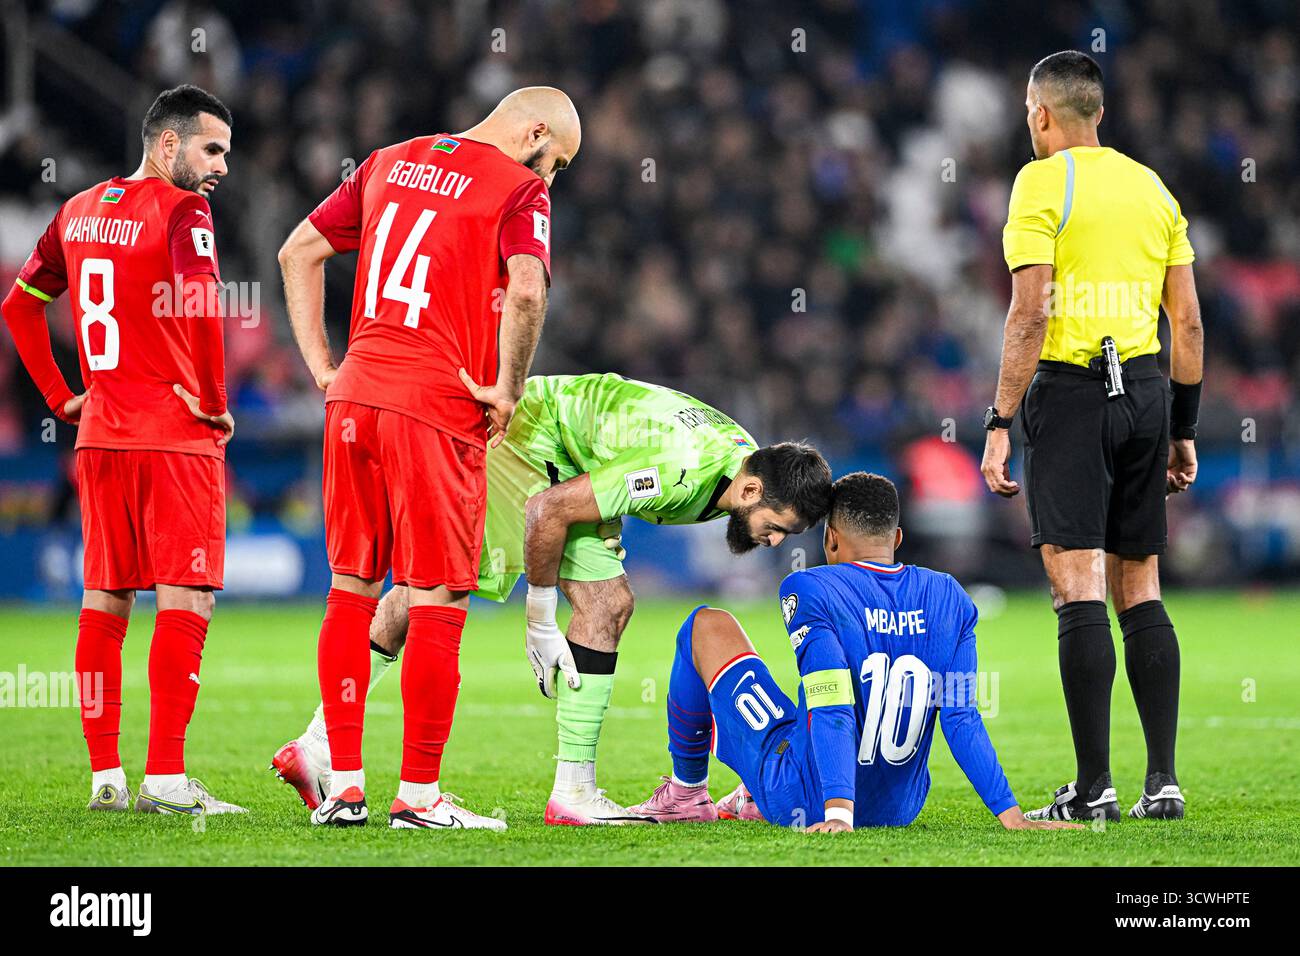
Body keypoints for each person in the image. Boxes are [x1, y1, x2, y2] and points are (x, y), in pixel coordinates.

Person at [272, 373, 832, 825]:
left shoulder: (744, 461)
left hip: (573, 445)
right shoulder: (680, 470)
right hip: (531, 436)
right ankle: (563, 793)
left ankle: (320, 744)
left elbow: (616, 457)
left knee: (577, 602)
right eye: (776, 526)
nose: (775, 541)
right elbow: (549, 509)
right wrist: (540, 618)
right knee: (469, 593)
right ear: (753, 489)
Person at [277, 87, 579, 830]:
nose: (551, 181)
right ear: (533, 131)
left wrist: (322, 363)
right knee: (440, 595)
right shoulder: (516, 189)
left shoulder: (387, 162)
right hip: (436, 406)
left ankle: (343, 786)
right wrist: (507, 387)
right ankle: (418, 796)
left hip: (355, 399)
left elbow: (297, 251)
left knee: (350, 589)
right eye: (556, 163)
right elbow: (530, 291)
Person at [1, 85, 241, 814]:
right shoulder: (183, 210)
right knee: (186, 595)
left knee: (104, 601)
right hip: (172, 434)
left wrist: (57, 396)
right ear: (167, 145)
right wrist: (214, 398)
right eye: (212, 148)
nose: (222, 167)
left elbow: (19, 304)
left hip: (100, 434)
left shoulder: (76, 211)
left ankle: (106, 776)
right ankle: (165, 777)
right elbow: (201, 301)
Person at [979, 51, 1202, 821]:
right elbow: (1190, 323)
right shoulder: (1153, 188)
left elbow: (1031, 311)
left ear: (1041, 114)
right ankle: (1163, 782)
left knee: (1077, 585)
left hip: (1074, 393)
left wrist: (999, 420)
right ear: (1099, 113)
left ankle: (1094, 789)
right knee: (1140, 585)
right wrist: (1184, 426)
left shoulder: (1040, 182)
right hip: (1146, 391)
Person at [627, 473, 1080, 833]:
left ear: (831, 540)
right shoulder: (951, 596)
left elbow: (833, 704)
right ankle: (750, 795)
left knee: (705, 625)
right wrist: (1011, 813)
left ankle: (686, 795)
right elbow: (962, 717)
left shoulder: (811, 586)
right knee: (791, 711)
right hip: (899, 808)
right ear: (897, 537)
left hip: (808, 797)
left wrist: (839, 814)